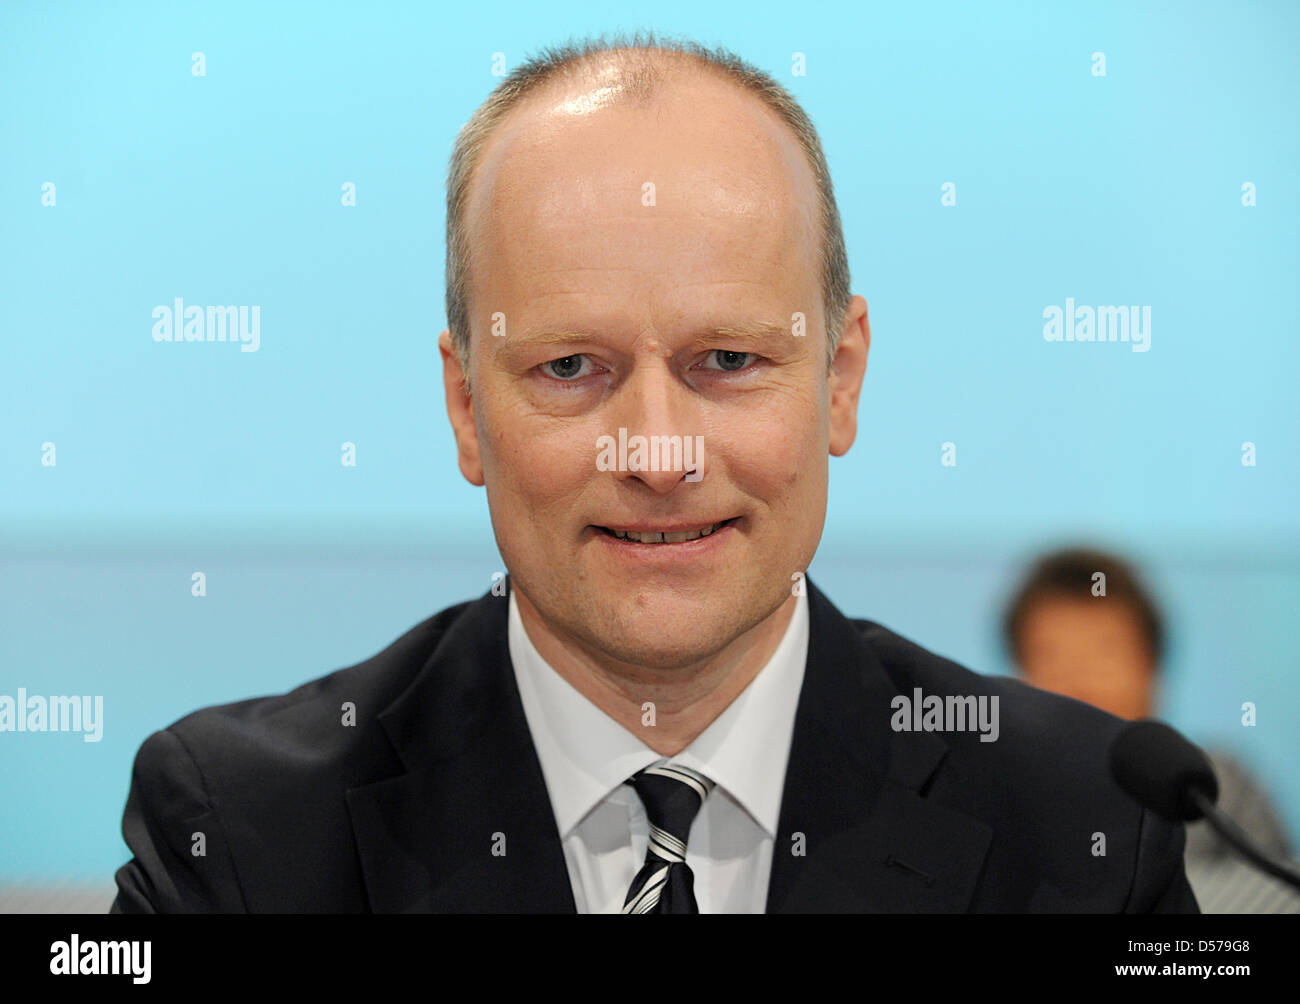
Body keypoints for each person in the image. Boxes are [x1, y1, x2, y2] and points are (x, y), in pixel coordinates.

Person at [110, 35, 1197, 913]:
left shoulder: (1085, 831)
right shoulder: (241, 834)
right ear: (466, 405)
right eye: (570, 367)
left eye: (727, 361)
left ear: (839, 379)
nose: (658, 453)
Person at [1004, 546, 1299, 913]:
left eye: (1103, 650)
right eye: (1051, 655)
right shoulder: (998, 796)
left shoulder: (1213, 783)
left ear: (1152, 670)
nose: (1077, 679)